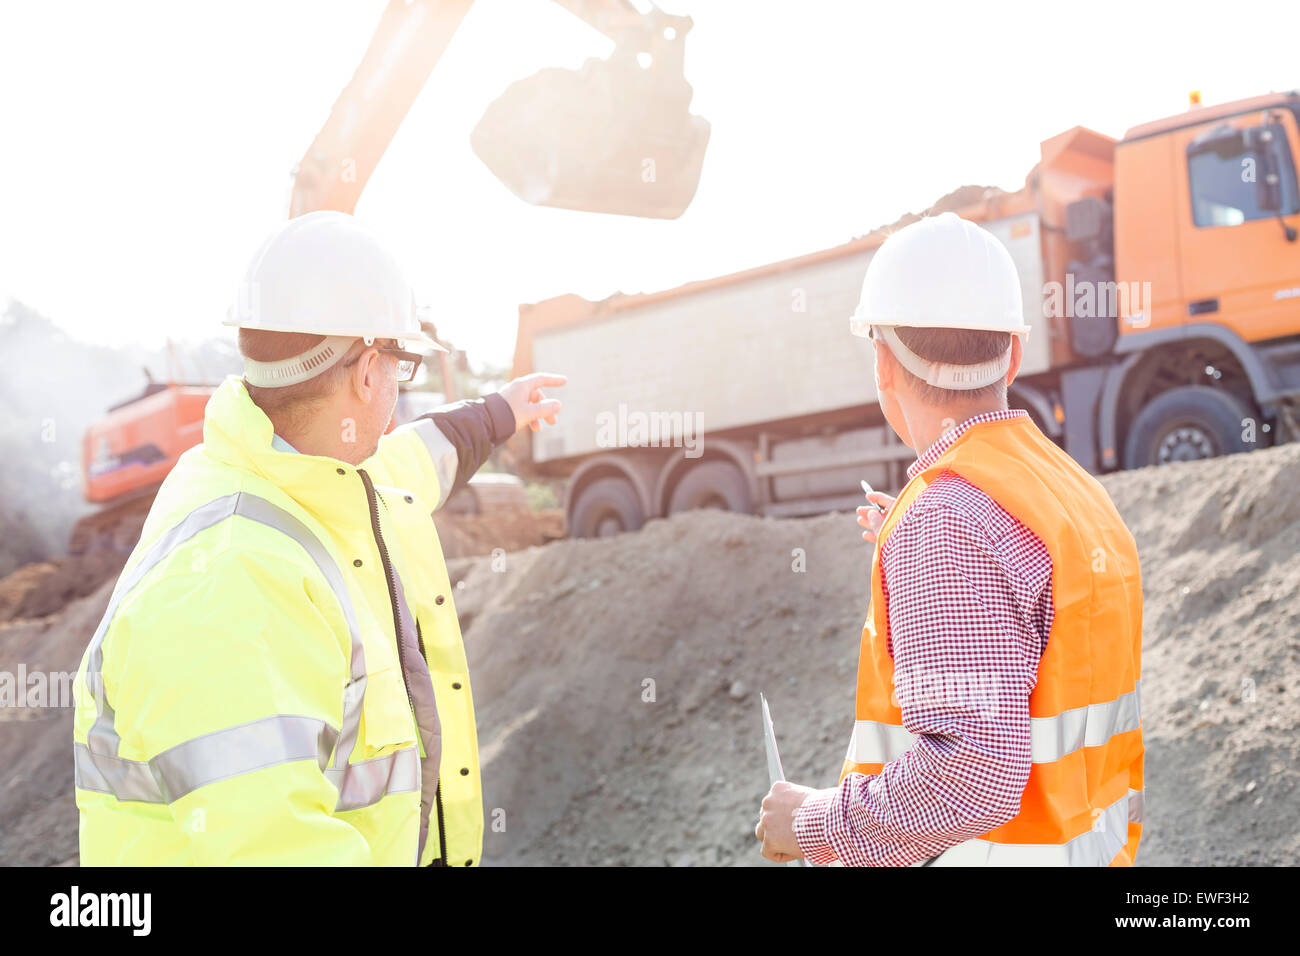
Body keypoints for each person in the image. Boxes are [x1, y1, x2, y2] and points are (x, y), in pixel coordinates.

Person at [73, 211, 565, 865]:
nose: (398, 391)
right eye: (403, 364)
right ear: (368, 371)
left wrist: (498, 412)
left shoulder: (305, 476)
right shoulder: (230, 580)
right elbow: (276, 851)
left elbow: (414, 461)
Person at [755, 212, 1144, 866]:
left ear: (883, 362)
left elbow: (973, 776)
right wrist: (917, 551)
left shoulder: (949, 520)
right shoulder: (1070, 491)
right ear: (1014, 354)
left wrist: (812, 825)